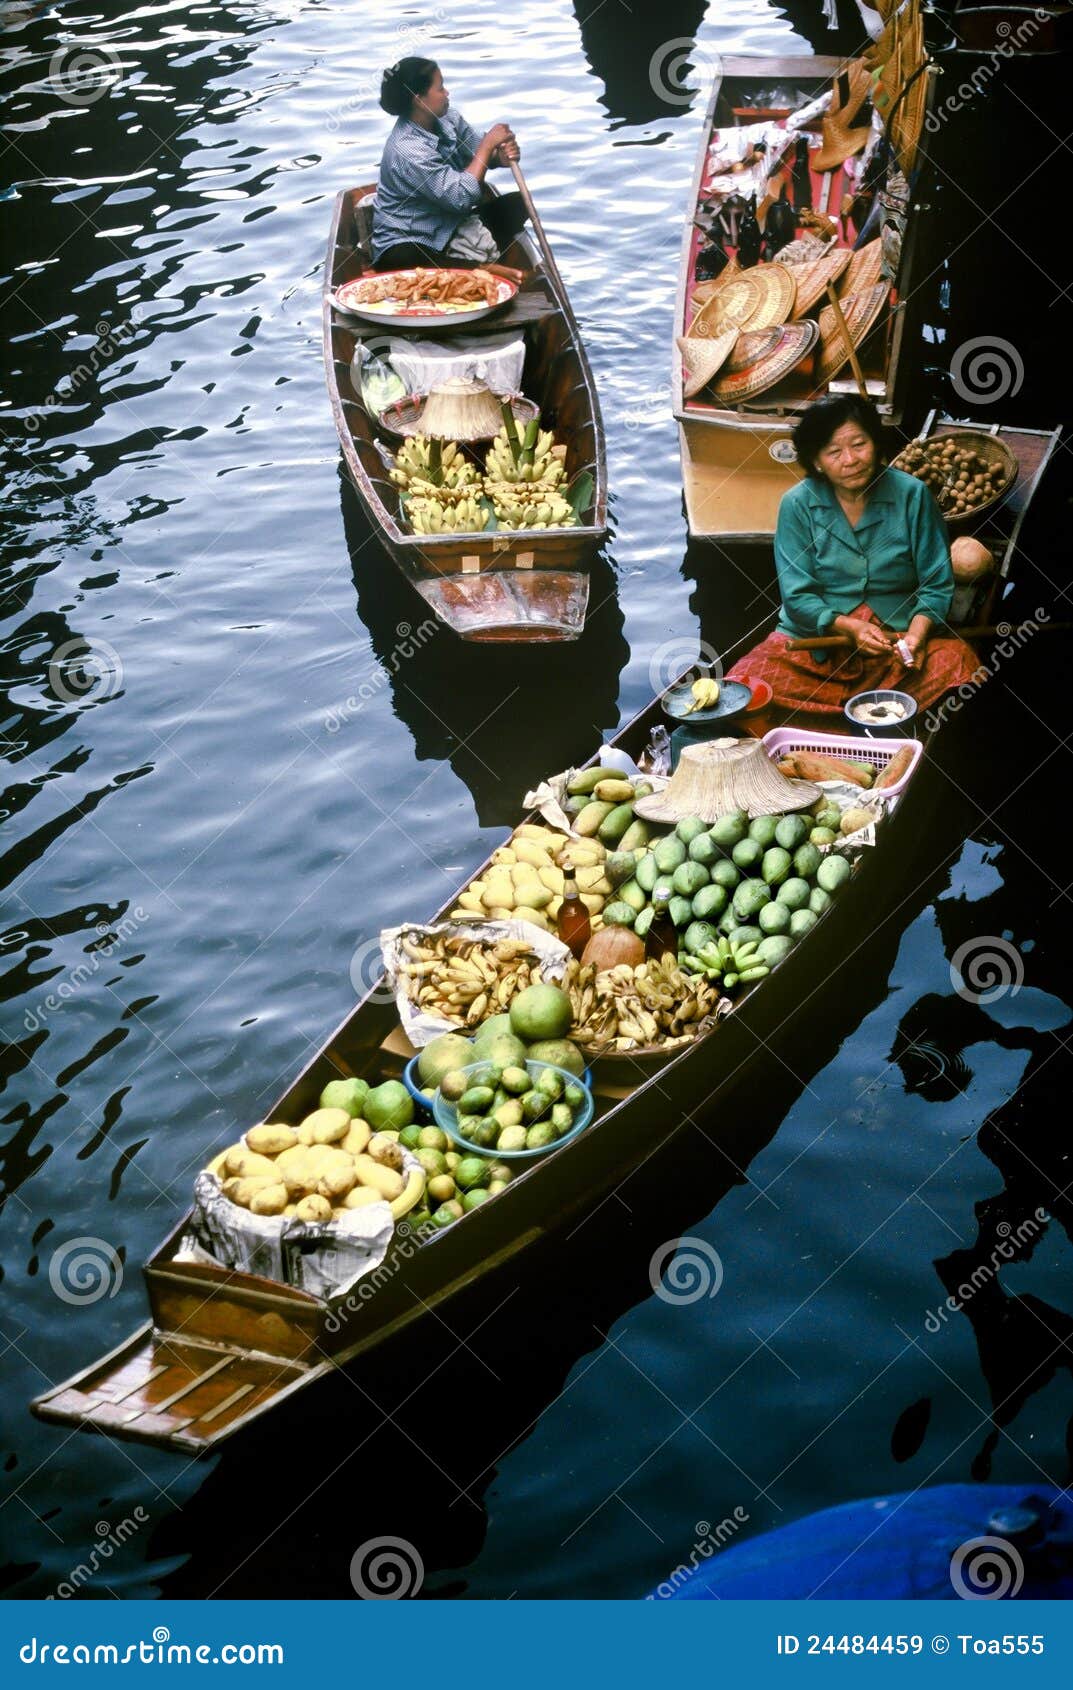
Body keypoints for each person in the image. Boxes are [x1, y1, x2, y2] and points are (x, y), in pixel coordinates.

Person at [726, 395, 986, 714]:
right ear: (817, 461)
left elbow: (935, 585)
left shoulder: (912, 496)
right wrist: (848, 626)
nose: (850, 459)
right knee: (744, 683)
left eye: (859, 444)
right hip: (817, 643)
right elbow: (797, 596)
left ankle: (832, 715)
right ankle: (855, 715)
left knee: (959, 663)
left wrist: (916, 637)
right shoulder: (797, 505)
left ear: (876, 444)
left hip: (894, 641)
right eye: (834, 452)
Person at [372, 58, 526, 274]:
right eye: (441, 87)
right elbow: (461, 198)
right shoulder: (407, 149)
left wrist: (499, 155)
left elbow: (479, 153)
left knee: (520, 204)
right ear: (419, 100)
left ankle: (471, 264)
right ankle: (482, 269)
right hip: (412, 239)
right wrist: (489, 143)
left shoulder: (448, 118)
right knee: (410, 258)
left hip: (448, 224)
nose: (447, 93)